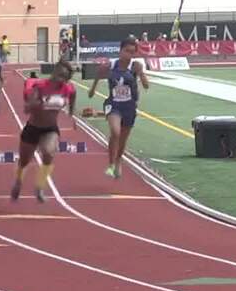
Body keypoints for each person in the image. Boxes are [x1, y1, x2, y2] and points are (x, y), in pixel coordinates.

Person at [13, 60, 76, 202]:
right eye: (59, 75)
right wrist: (37, 104)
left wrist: (72, 114)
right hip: (33, 128)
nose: (61, 79)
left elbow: (73, 94)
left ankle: (39, 187)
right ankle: (18, 182)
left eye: (65, 77)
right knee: (24, 161)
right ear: (54, 72)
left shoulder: (67, 89)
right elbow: (26, 109)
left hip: (50, 129)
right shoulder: (40, 87)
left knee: (48, 153)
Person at [87, 37, 150, 178]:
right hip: (113, 104)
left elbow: (146, 85)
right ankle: (110, 164)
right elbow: (98, 74)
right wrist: (92, 90)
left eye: (132, 52)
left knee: (122, 139)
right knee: (115, 132)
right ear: (120, 50)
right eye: (127, 51)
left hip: (129, 106)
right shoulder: (110, 65)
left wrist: (141, 73)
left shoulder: (135, 66)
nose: (129, 55)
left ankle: (118, 161)